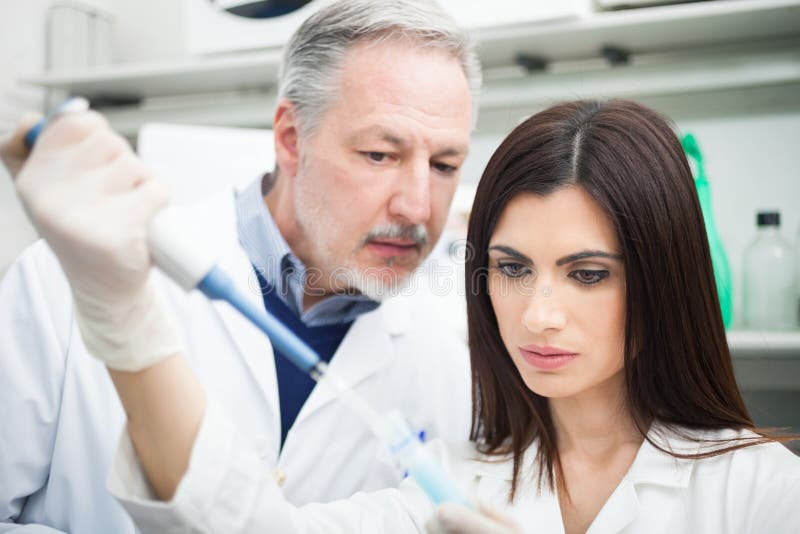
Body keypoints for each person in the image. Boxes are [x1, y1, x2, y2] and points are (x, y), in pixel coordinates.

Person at [21, 98, 800, 533]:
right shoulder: (449, 490)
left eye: (588, 274)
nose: (539, 315)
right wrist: (120, 308)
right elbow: (246, 528)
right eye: (512, 268)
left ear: (664, 280)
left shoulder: (762, 493)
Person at [0, 1, 482, 531]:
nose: (416, 207)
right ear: (291, 138)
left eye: (444, 166)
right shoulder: (65, 284)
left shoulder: (454, 368)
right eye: (379, 155)